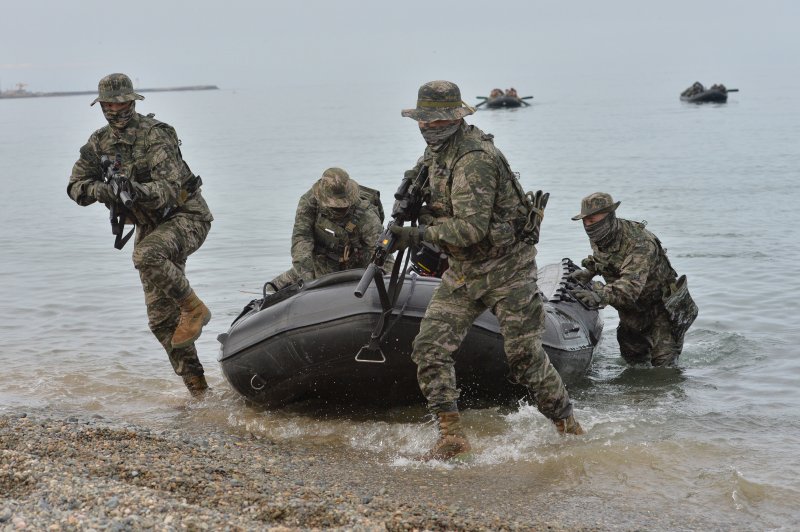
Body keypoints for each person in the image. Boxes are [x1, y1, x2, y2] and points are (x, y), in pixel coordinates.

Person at [390, 80, 584, 461]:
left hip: (507, 267)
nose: (427, 127)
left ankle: (569, 429)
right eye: (423, 121)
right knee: (429, 347)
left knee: (524, 357)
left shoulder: (474, 160)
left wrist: (416, 235)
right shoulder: (437, 153)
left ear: (454, 118)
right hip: (466, 269)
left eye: (435, 121)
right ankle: (451, 435)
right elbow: (420, 190)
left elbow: (471, 228)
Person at [67, 73, 214, 396]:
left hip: (185, 215)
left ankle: (195, 308)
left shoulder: (156, 136)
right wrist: (104, 190)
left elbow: (167, 188)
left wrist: (133, 190)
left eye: (120, 103)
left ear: (132, 101)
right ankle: (199, 392)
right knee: (161, 321)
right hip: (150, 225)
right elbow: (75, 187)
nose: (114, 109)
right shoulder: (98, 143)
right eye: (108, 104)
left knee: (147, 254)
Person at [569, 192, 698, 367]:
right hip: (632, 312)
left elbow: (630, 287)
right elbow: (606, 258)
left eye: (593, 220)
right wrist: (590, 270)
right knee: (633, 362)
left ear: (609, 217)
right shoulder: (602, 235)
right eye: (585, 221)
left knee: (665, 370)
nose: (588, 225)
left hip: (661, 310)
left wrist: (598, 294)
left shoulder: (640, 243)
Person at [268, 167, 386, 290]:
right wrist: (308, 282)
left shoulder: (366, 213)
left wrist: (383, 279)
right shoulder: (309, 202)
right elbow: (302, 240)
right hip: (319, 265)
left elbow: (381, 252)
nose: (339, 209)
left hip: (357, 269)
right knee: (271, 290)